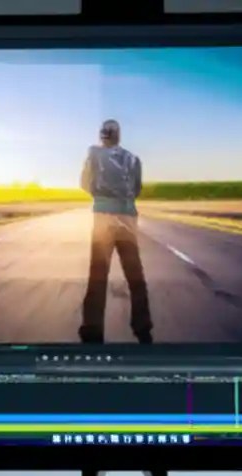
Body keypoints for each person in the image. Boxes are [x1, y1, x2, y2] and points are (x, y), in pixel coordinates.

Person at [78, 119, 153, 344]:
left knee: (98, 274)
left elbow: (83, 183)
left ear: (102, 135)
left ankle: (92, 329)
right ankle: (142, 327)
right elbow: (137, 188)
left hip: (103, 219)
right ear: (119, 135)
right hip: (127, 220)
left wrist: (102, 196)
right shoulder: (133, 159)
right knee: (135, 275)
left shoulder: (93, 154)